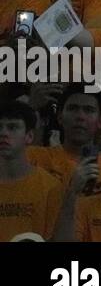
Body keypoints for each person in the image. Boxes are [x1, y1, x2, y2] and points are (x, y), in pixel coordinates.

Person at [0, 102, 61, 241]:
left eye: (12, 127)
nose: (3, 133)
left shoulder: (51, 187)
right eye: (0, 127)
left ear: (29, 136)